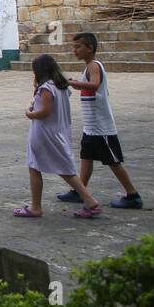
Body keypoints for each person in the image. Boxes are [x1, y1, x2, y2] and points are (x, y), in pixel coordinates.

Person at [57, 32, 143, 209]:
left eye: (78, 47)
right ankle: (81, 191)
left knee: (113, 161)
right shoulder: (87, 67)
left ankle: (132, 194)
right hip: (91, 125)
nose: (75, 50)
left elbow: (94, 85)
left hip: (101, 126)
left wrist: (73, 83)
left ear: (90, 48)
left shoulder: (94, 66)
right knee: (86, 157)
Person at [14, 54, 100, 219]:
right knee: (64, 168)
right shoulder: (61, 86)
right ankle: (88, 199)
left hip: (44, 133)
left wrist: (29, 113)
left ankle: (35, 207)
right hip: (58, 131)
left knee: (35, 167)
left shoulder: (46, 87)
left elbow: (45, 112)